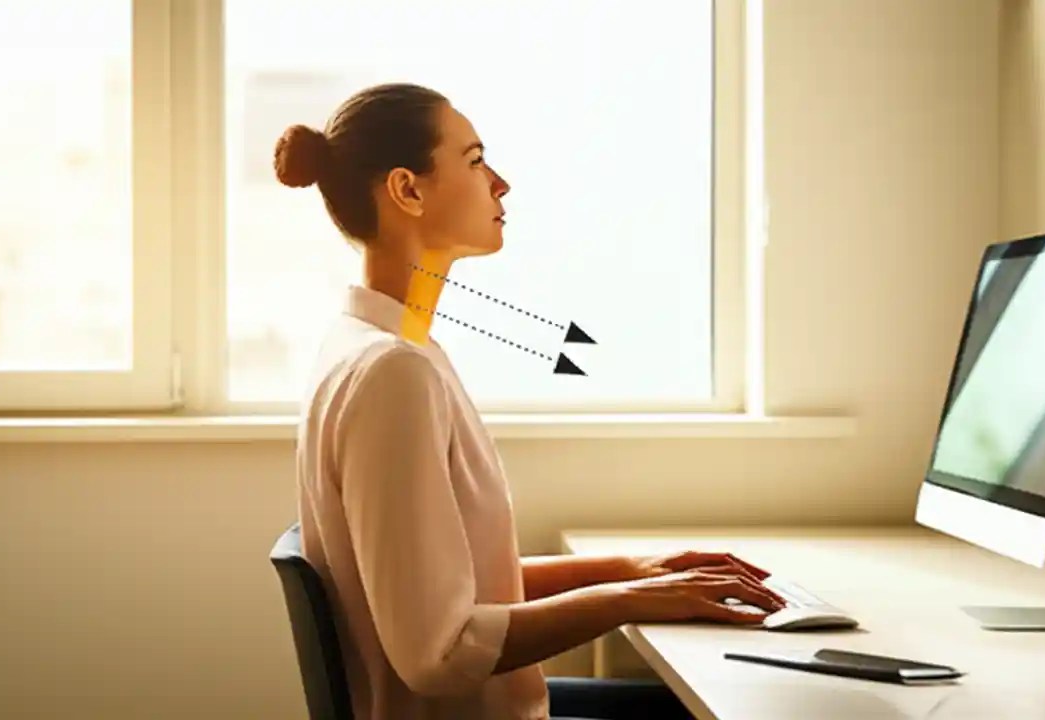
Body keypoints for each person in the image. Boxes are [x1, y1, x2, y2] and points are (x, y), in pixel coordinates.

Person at [280, 82, 786, 720]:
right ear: (408, 190)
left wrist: (635, 569)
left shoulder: (377, 344)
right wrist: (632, 600)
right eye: (474, 161)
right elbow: (438, 654)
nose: (501, 184)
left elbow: (455, 583)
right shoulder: (393, 373)